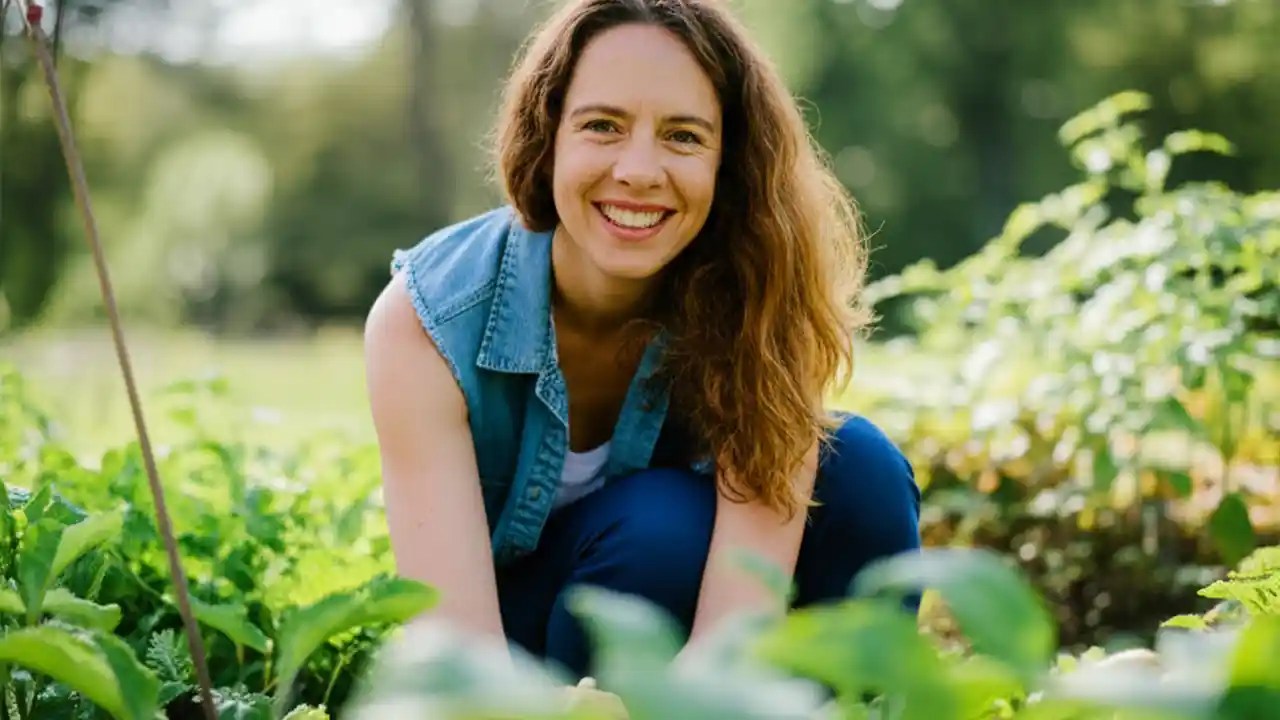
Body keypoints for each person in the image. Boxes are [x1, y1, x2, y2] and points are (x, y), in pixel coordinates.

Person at [363, 0, 922, 682]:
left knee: (860, 469)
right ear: (549, 137)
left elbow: (736, 627)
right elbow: (460, 649)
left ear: (728, 162)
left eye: (683, 137)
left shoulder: (761, 289)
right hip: (518, 656)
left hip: (696, 649)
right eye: (603, 126)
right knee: (661, 527)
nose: (638, 170)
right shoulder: (427, 320)